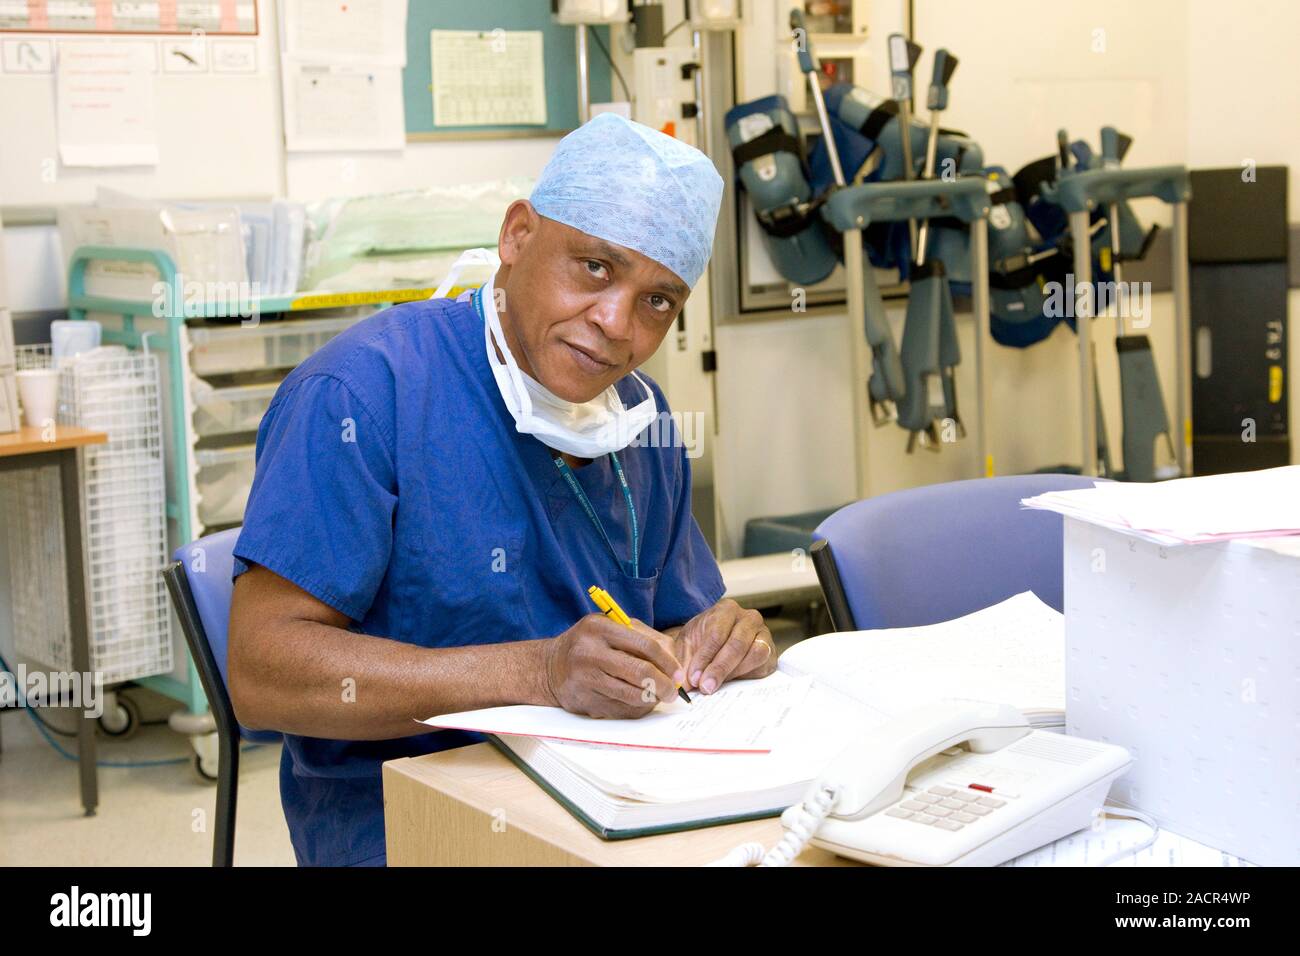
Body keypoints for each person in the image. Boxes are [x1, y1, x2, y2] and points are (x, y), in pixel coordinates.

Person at [227, 113, 776, 867]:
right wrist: (538, 673)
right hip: (404, 815)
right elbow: (260, 673)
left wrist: (721, 641)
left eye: (658, 302)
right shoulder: (363, 397)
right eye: (595, 268)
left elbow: (684, 624)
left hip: (615, 795)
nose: (616, 325)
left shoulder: (639, 428)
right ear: (517, 236)